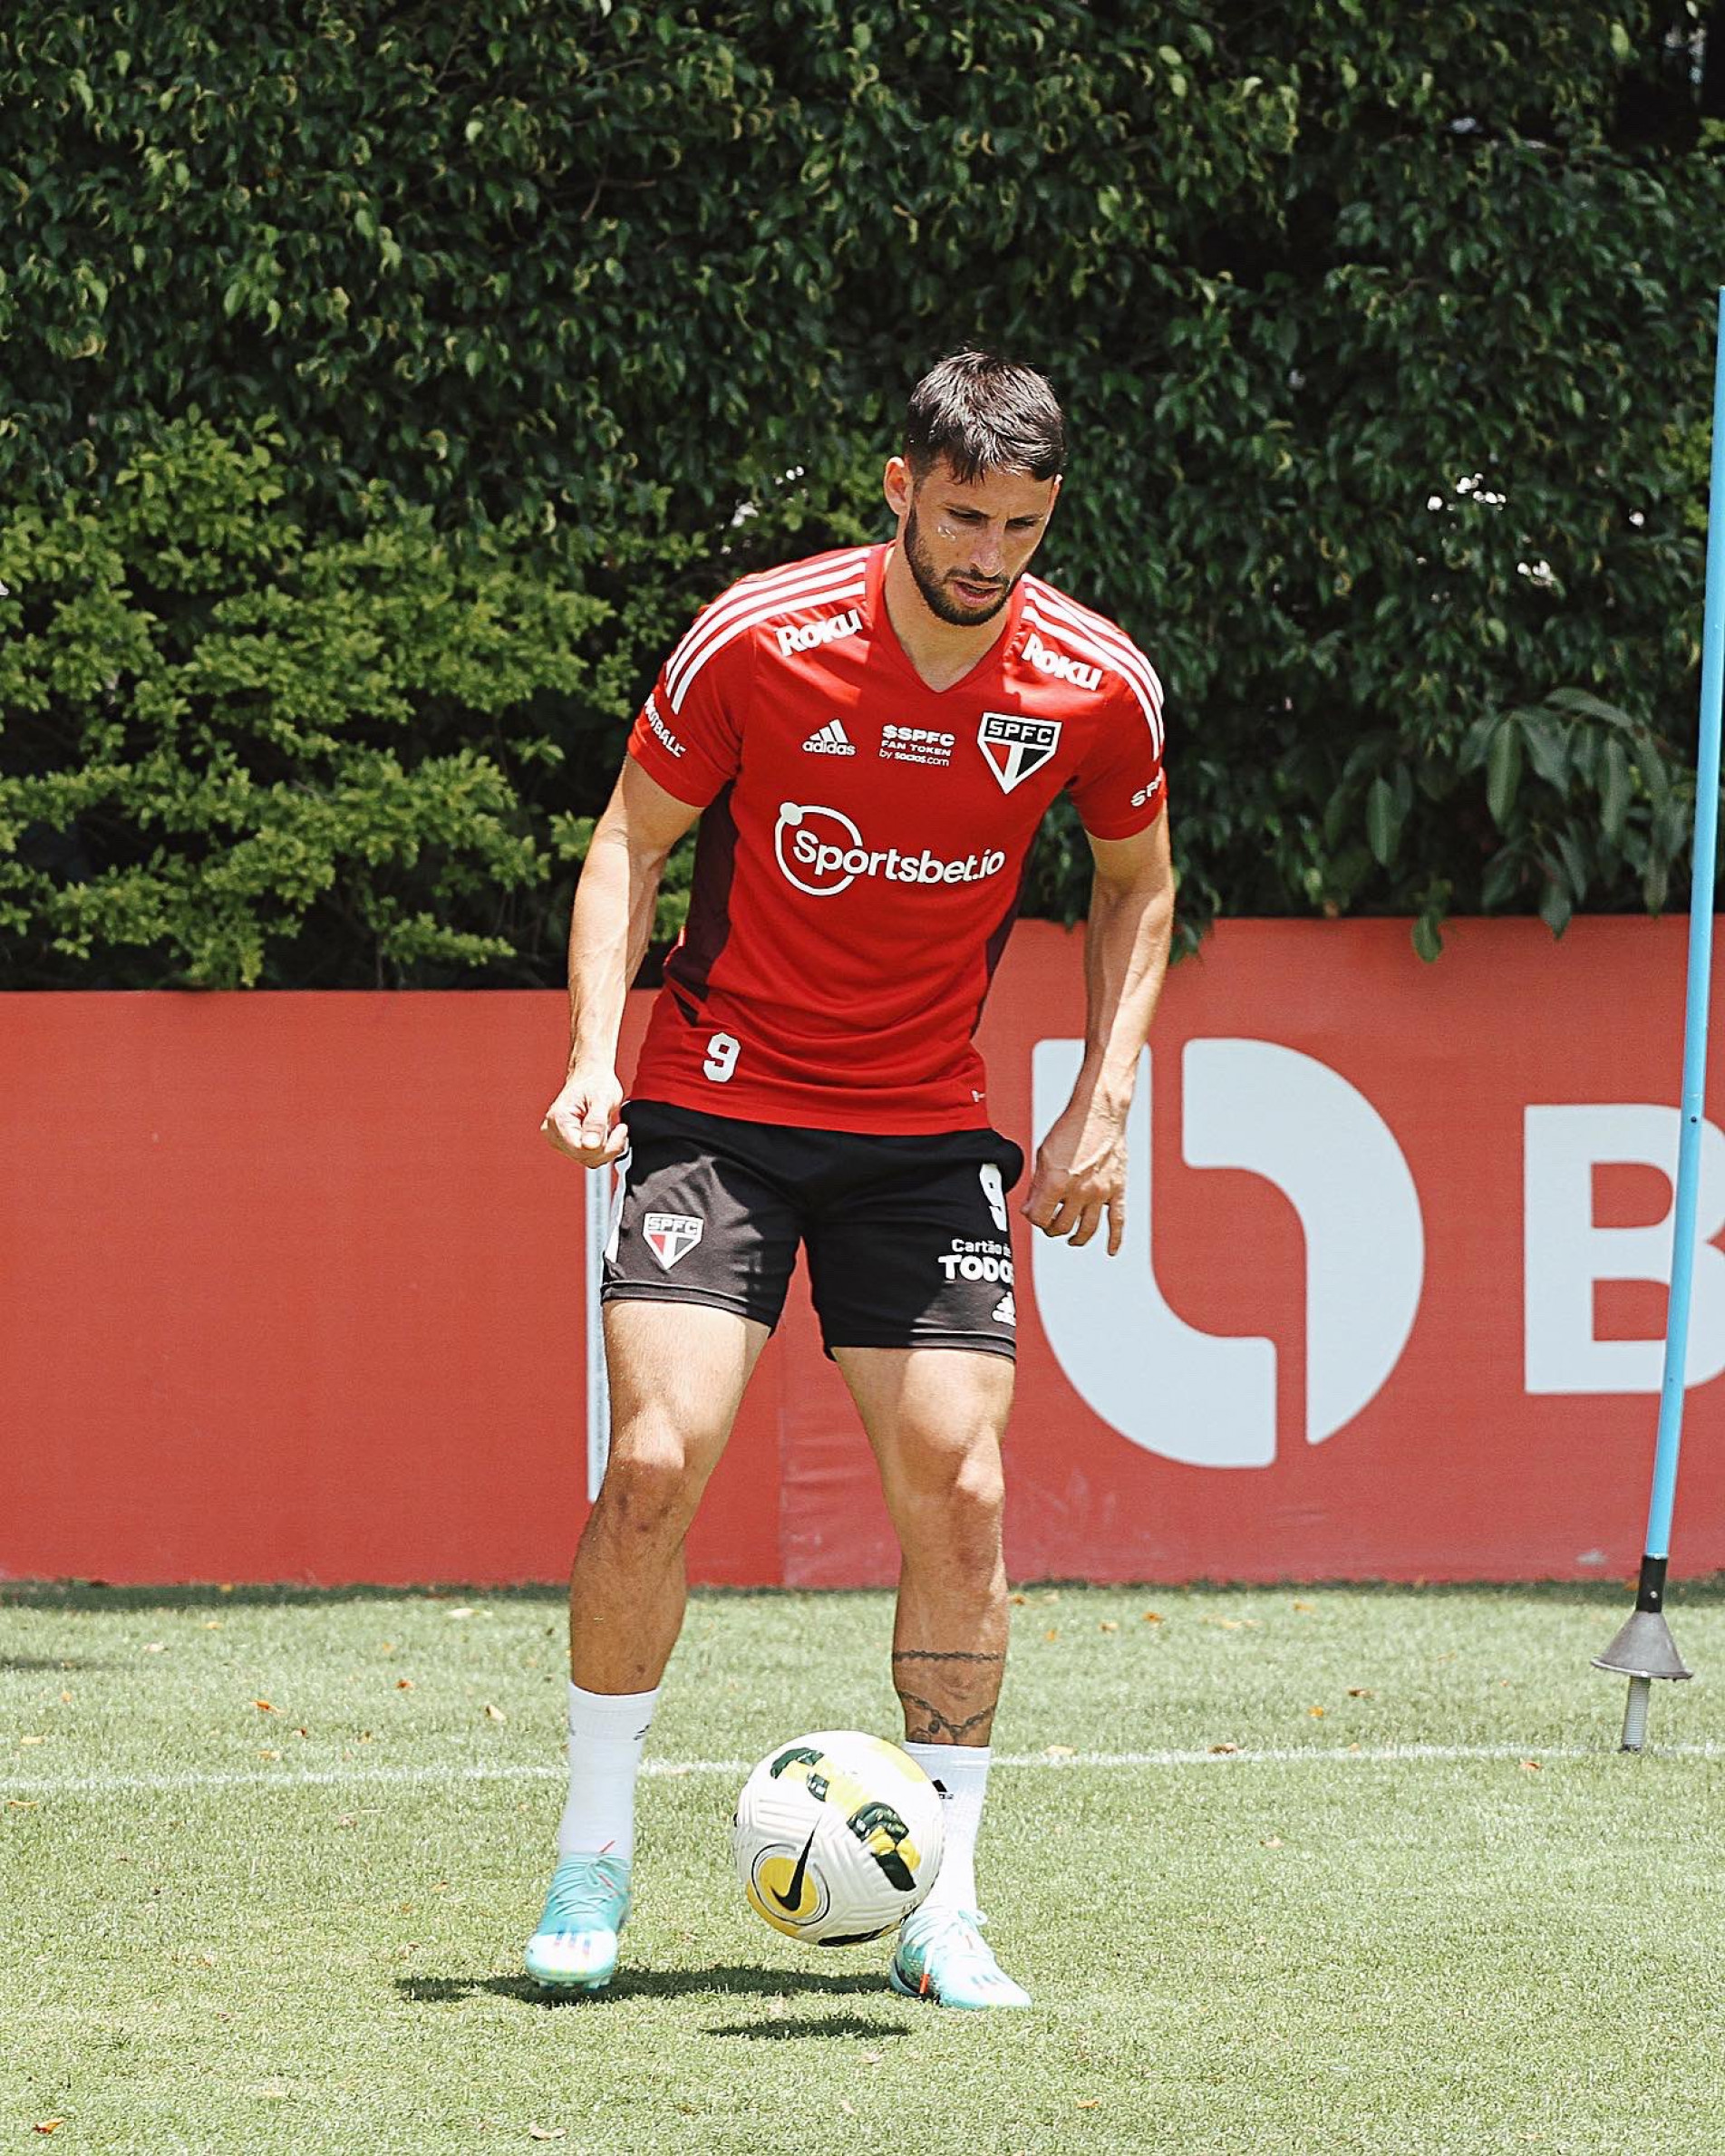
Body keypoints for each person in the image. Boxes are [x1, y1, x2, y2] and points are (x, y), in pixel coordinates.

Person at [526, 351, 1174, 2009]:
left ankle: (944, 1902)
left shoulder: (1094, 683)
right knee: (656, 1463)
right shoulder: (762, 638)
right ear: (901, 489)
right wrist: (599, 1049)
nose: (991, 554)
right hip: (721, 1108)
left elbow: (1136, 887)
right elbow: (628, 838)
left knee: (961, 1494)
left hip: (921, 1129)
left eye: (1023, 525)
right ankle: (592, 1858)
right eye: (965, 515)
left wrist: (1103, 1102)